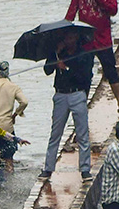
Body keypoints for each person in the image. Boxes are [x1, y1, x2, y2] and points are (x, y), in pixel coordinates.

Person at [66, 0, 119, 113]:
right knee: (84, 73)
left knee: (111, 70)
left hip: (103, 39)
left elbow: (113, 11)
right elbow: (70, 14)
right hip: (85, 40)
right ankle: (82, 105)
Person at [39, 29, 94, 181]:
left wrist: (67, 67)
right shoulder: (57, 53)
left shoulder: (84, 53)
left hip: (77, 93)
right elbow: (47, 70)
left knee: (82, 134)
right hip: (61, 94)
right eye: (66, 38)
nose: (68, 40)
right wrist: (55, 55)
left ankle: (85, 169)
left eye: (71, 37)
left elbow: (85, 75)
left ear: (76, 37)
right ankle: (48, 168)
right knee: (55, 133)